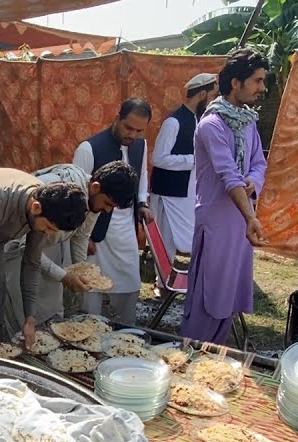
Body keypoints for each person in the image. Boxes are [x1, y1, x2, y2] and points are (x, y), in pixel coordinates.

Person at [180, 48, 270, 344]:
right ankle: (192, 357)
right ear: (236, 83)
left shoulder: (247, 121)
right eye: (257, 81)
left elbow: (258, 162)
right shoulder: (212, 124)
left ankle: (214, 359)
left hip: (239, 221)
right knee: (210, 296)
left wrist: (253, 181)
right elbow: (227, 175)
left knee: (229, 295)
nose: (262, 88)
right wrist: (251, 217)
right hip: (218, 221)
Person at [0, 171, 89, 351]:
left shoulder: (43, 206)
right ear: (36, 207)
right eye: (48, 227)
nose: (48, 233)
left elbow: (32, 263)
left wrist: (30, 318)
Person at [17, 161, 140, 326]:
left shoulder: (93, 199)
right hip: (15, 254)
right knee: (21, 317)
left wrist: (81, 270)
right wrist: (64, 276)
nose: (108, 211)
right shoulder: (59, 190)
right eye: (108, 204)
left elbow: (81, 234)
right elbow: (24, 246)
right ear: (95, 187)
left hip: (47, 249)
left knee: (49, 313)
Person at [73, 98, 152, 326]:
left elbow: (142, 175)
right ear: (117, 119)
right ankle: (88, 331)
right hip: (94, 230)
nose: (133, 135)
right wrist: (82, 236)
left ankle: (127, 332)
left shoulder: (140, 145)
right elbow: (78, 194)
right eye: (129, 127)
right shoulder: (88, 149)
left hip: (125, 226)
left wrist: (142, 203)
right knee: (91, 289)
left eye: (139, 130)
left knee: (130, 281)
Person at [151, 73, 216, 259]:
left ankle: (169, 281)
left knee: (185, 238)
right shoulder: (174, 122)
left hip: (186, 191)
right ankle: (162, 282)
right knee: (165, 240)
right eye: (212, 96)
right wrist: (194, 160)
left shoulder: (197, 119)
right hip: (169, 191)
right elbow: (158, 158)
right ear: (202, 95)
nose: (213, 101)